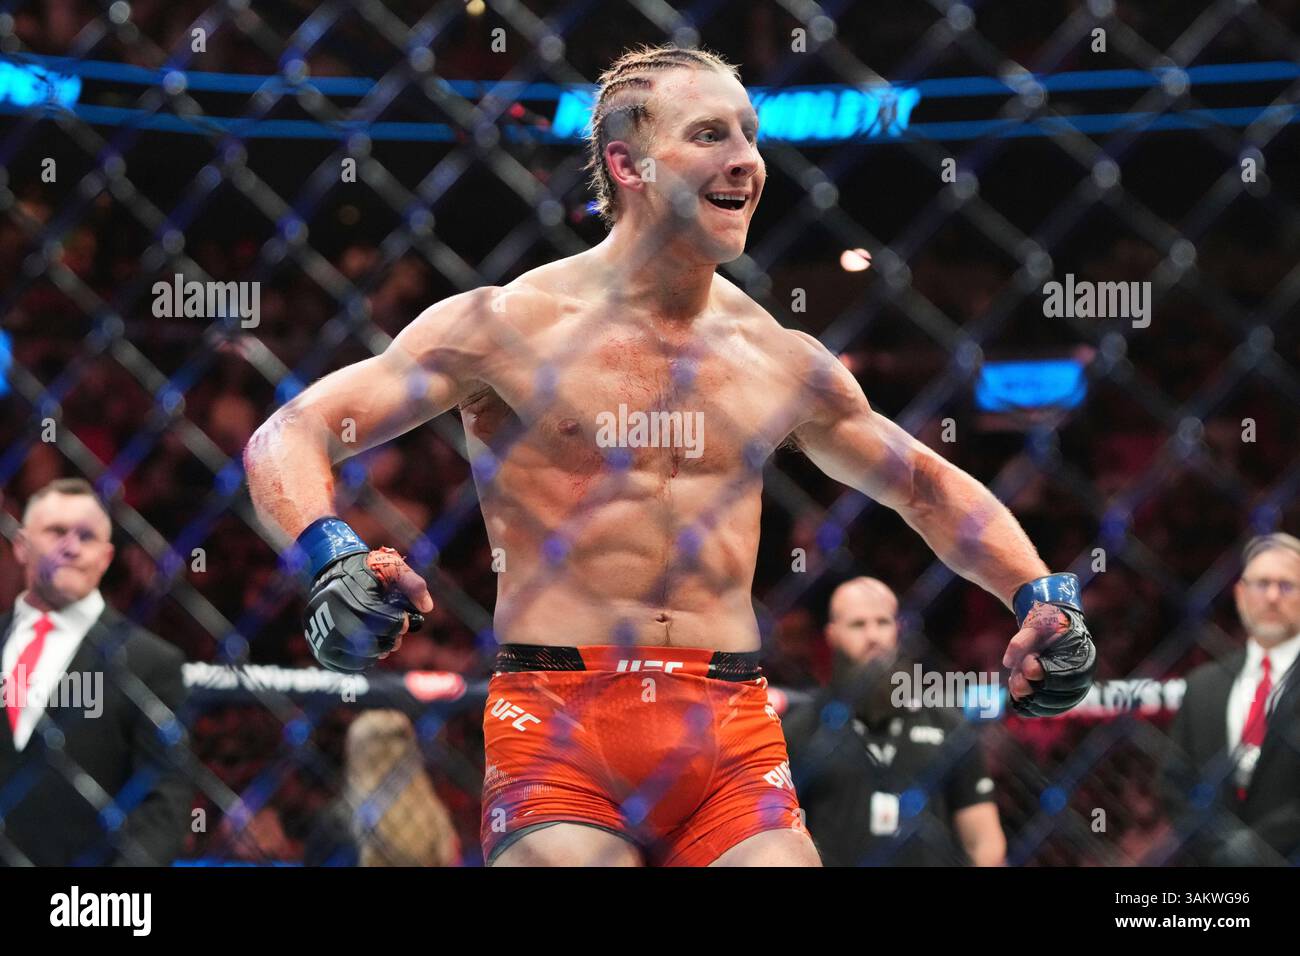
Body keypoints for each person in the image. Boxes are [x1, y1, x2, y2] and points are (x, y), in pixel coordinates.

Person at [244, 44, 1096, 867]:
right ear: (627, 166)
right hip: (558, 715)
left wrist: (1041, 595)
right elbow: (293, 431)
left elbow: (920, 483)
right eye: (708, 136)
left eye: (750, 136)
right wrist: (331, 556)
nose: (746, 161)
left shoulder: (779, 358)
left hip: (727, 722)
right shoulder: (508, 326)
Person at [0, 478, 193, 865]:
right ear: (21, 545)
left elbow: (165, 801)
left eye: (85, 537)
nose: (70, 547)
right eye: (56, 532)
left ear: (105, 558)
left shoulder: (149, 661)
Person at [784, 577, 1006, 866]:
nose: (873, 636)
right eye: (858, 625)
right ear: (832, 634)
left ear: (898, 630)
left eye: (882, 622)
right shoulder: (802, 729)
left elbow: (984, 841)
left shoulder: (947, 725)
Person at [1161, 532, 1300, 864]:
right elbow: (1174, 781)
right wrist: (1220, 849)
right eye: (1260, 583)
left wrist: (1257, 847)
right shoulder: (1204, 684)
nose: (1270, 597)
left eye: (1286, 586)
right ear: (1240, 594)